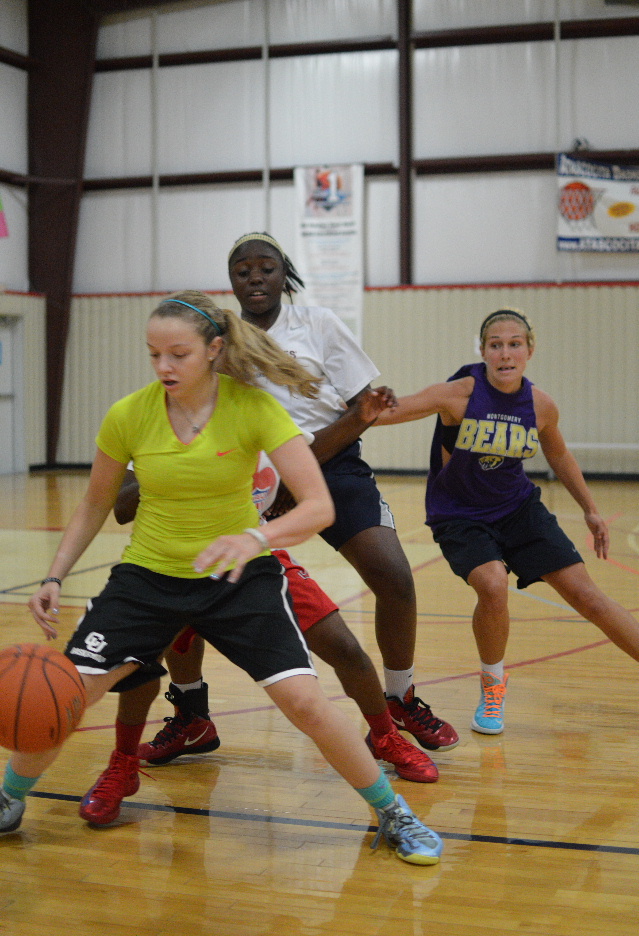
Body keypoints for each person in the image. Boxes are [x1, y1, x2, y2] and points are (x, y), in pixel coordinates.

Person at [0, 291, 442, 867]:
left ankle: (392, 812)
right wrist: (55, 575)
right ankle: (9, 798)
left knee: (306, 703)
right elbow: (93, 506)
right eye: (154, 353)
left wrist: (254, 538)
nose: (163, 366)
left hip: (239, 577)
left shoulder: (253, 409)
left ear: (213, 350)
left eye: (178, 354)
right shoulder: (129, 414)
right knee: (63, 696)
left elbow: (317, 506)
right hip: (147, 578)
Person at [223, 231, 458, 751]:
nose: (255, 278)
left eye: (265, 268)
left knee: (394, 576)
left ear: (284, 273)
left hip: (332, 464)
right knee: (195, 581)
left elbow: (362, 410)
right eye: (243, 271)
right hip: (258, 480)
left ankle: (399, 697)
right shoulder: (223, 341)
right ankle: (192, 711)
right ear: (232, 281)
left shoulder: (319, 324)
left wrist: (303, 470)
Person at [373, 306, 639, 734]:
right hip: (459, 515)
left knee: (588, 597)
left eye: (515, 344)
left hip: (518, 509)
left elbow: (558, 453)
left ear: (529, 351)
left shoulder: (540, 405)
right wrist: (346, 408)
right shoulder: (459, 392)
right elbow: (390, 412)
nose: (505, 353)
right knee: (493, 583)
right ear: (482, 351)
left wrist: (591, 509)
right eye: (495, 345)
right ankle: (493, 685)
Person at [106, 451, 439, 790]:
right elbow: (121, 508)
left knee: (343, 647)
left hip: (255, 555)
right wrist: (179, 468)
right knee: (140, 662)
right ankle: (130, 758)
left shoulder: (258, 417)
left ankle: (385, 737)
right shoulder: (157, 426)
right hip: (175, 560)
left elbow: (308, 487)